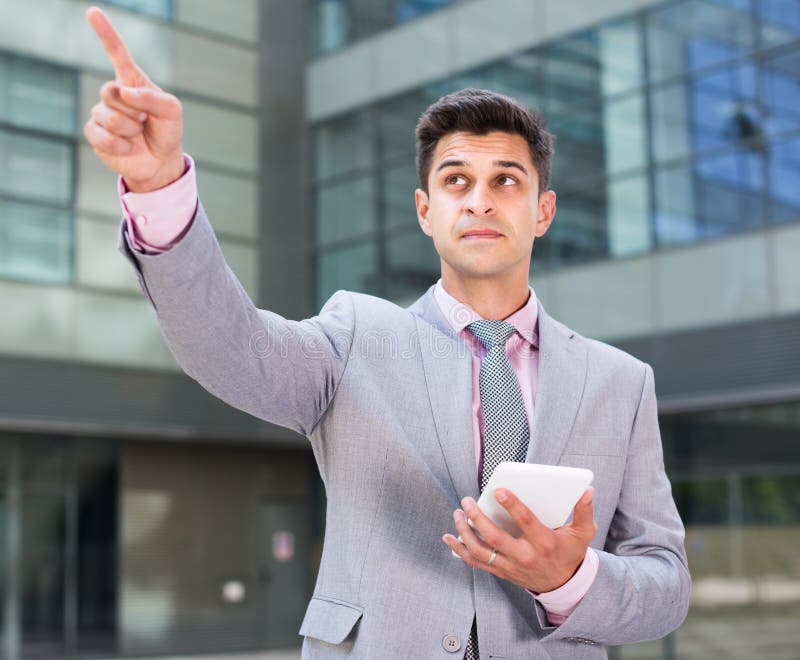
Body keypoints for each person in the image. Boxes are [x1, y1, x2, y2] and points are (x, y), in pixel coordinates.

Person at [83, 6, 691, 658]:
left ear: (543, 211)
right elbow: (229, 349)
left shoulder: (621, 383)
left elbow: (667, 582)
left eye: (506, 181)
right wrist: (159, 188)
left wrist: (573, 578)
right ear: (426, 212)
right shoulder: (355, 338)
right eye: (456, 180)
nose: (480, 201)